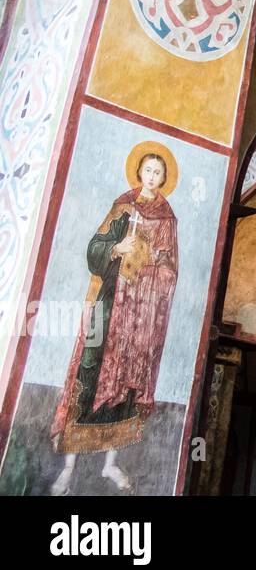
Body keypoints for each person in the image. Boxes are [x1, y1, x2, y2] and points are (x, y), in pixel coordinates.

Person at [50, 151, 180, 496]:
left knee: (127, 385)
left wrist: (154, 264)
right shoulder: (122, 206)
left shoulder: (167, 218)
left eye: (158, 172)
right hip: (108, 304)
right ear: (138, 172)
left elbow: (170, 271)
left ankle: (110, 463)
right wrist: (116, 246)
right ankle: (69, 466)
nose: (151, 176)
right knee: (89, 371)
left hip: (141, 317)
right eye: (147, 170)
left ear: (164, 178)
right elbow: (95, 249)